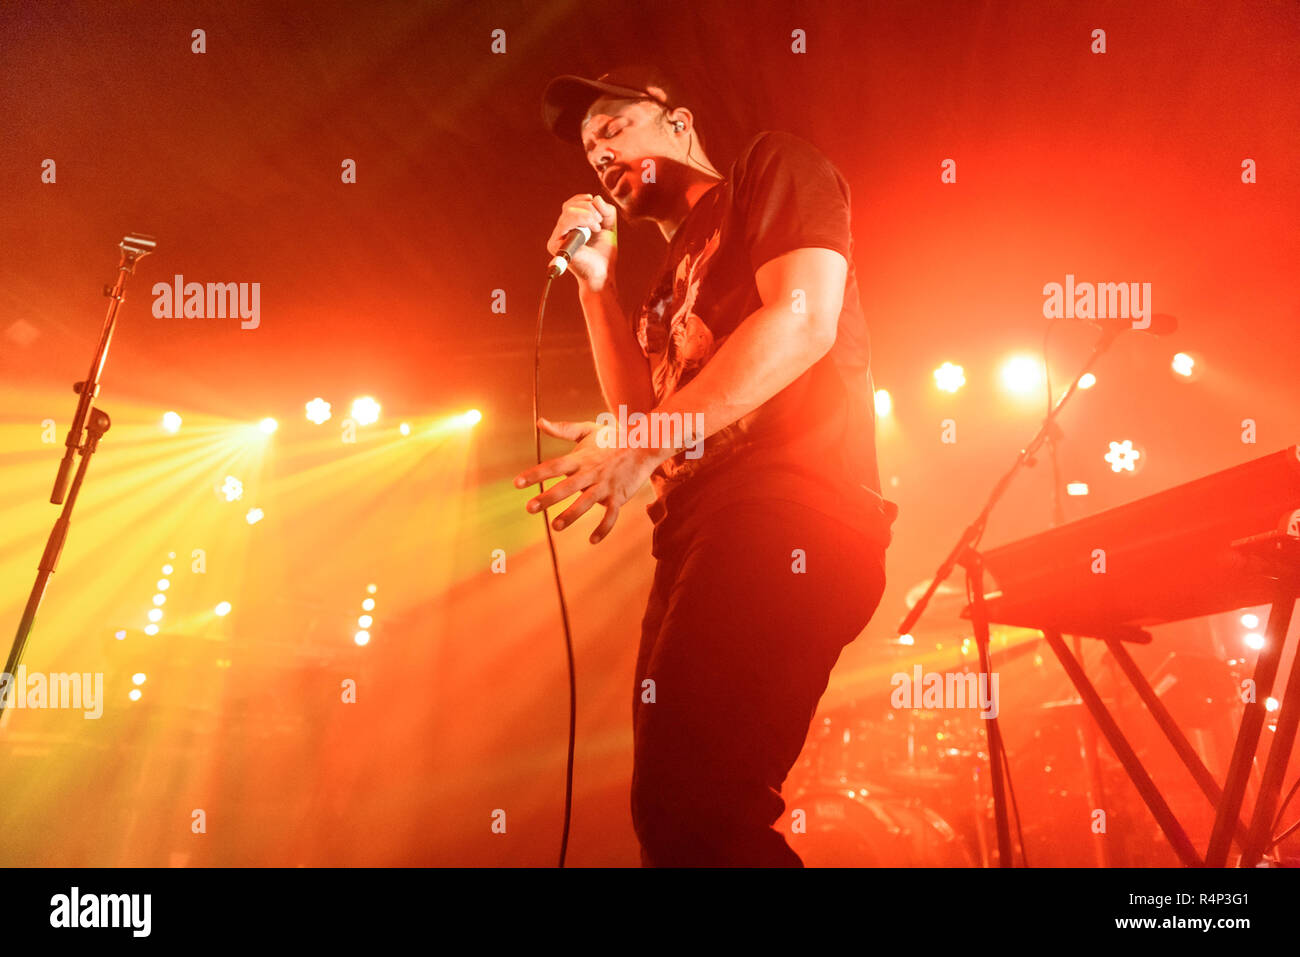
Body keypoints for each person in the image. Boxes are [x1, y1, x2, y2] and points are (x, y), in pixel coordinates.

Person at [514, 67, 898, 866]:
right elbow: (640, 430)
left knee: (695, 805)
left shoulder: (770, 166)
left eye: (614, 131)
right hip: (697, 531)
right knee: (675, 818)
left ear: (679, 122)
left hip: (793, 509)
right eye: (590, 156)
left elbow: (803, 320)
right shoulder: (659, 291)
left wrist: (649, 437)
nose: (601, 157)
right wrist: (596, 290)